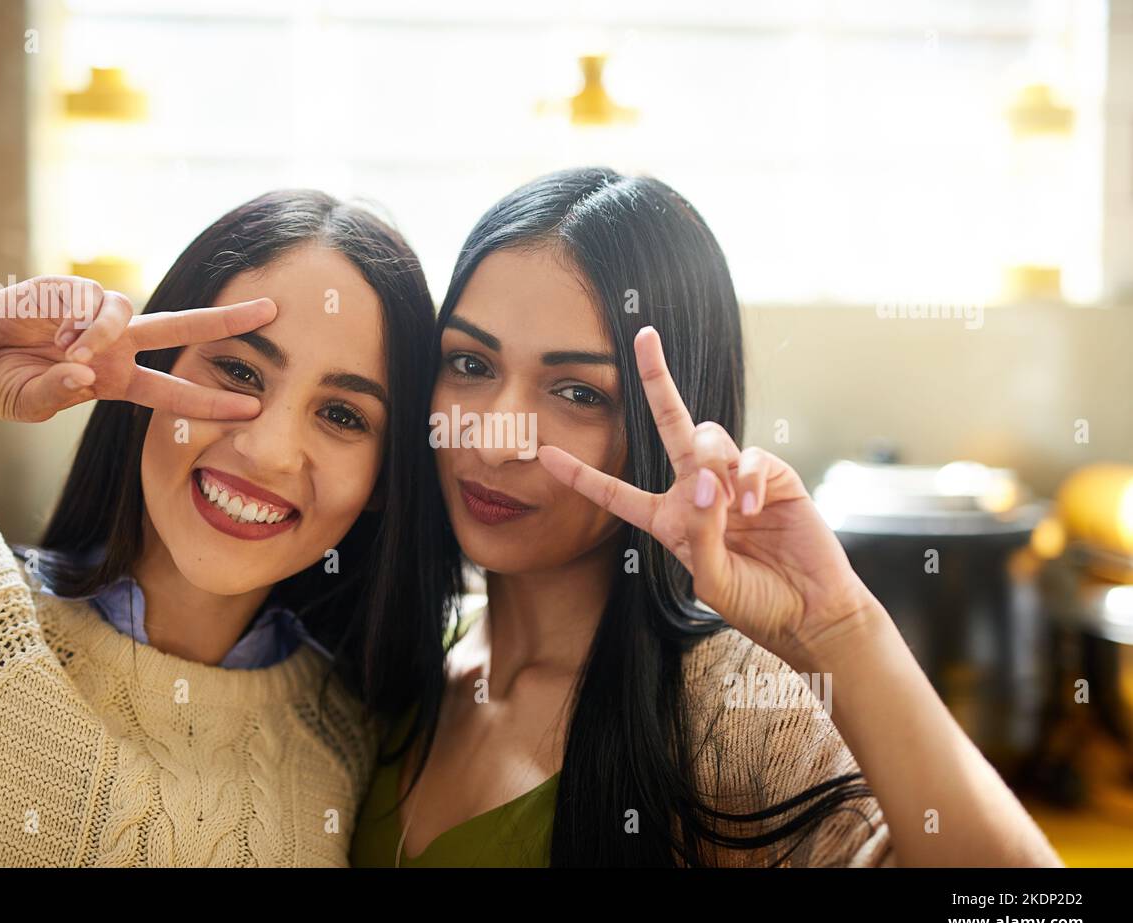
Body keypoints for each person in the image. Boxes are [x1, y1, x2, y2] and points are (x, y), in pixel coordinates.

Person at [351, 167, 1064, 867]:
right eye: (471, 365)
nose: (496, 438)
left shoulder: (726, 711)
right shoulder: (398, 657)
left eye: (576, 391)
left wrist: (842, 630)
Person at [0, 189, 446, 866]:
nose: (268, 450)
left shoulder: (354, 739)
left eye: (343, 416)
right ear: (151, 370)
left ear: (384, 483)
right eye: (239, 369)